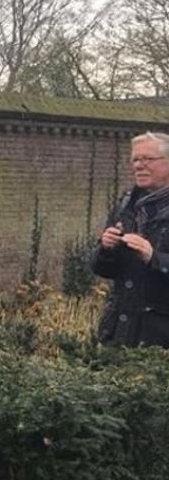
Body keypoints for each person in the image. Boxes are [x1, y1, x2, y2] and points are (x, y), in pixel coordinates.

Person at [92, 131, 169, 347]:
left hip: (160, 343)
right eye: (135, 159)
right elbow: (101, 269)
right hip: (119, 333)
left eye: (147, 159)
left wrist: (154, 258)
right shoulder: (126, 205)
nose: (138, 165)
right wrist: (106, 249)